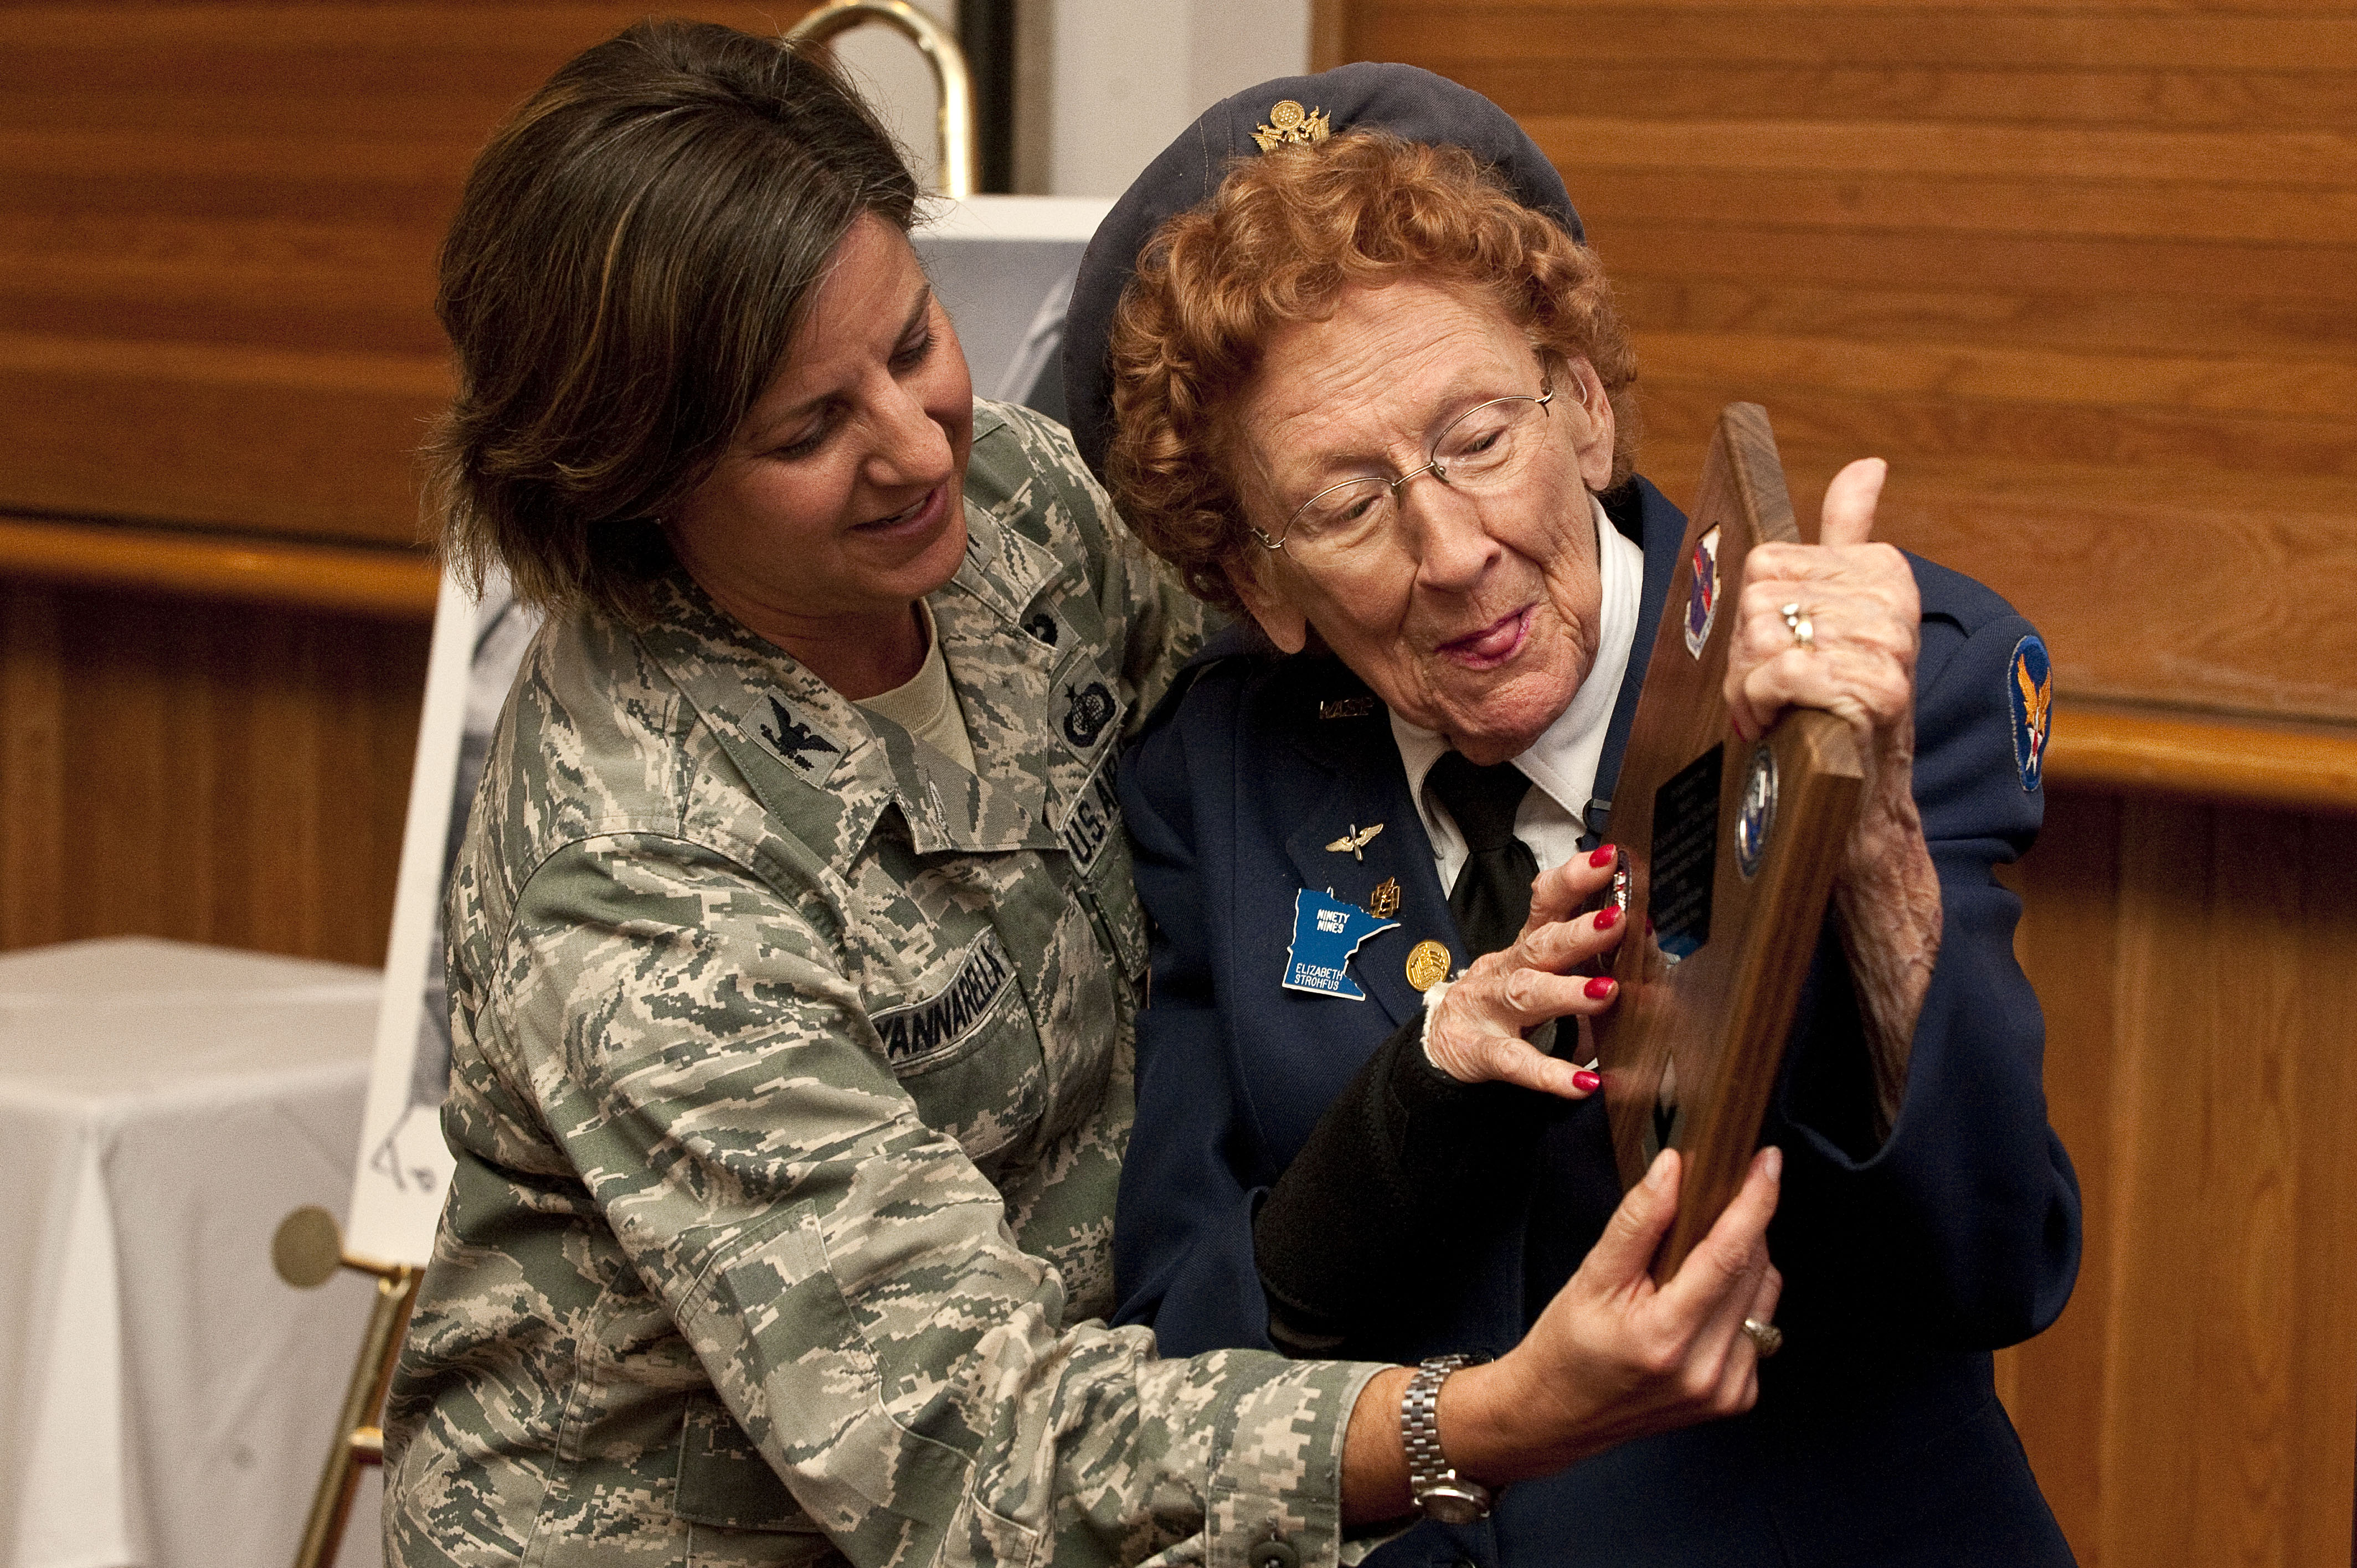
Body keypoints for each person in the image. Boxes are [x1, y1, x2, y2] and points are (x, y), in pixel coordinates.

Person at [382, 25, 1789, 1568]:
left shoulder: (1016, 511)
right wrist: (1494, 1418)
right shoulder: (642, 875)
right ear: (638, 485)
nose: (915, 448)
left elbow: (1314, 671)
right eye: (807, 431)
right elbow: (965, 1449)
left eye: (912, 344)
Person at [1065, 64, 2083, 1567]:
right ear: (1255, 582)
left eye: (1480, 437)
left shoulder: (1882, 673)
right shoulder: (1217, 771)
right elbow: (1195, 1329)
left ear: (1587, 412)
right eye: (1345, 506)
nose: (1452, 551)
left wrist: (1866, 849)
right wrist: (1418, 1098)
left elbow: (1994, 1261)